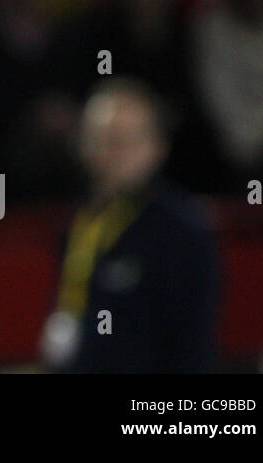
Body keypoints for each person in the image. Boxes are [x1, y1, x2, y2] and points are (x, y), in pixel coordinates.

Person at [41, 80, 221, 372]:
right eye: (100, 139)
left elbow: (193, 344)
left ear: (156, 146)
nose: (111, 153)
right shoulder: (79, 217)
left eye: (124, 140)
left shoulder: (181, 229)